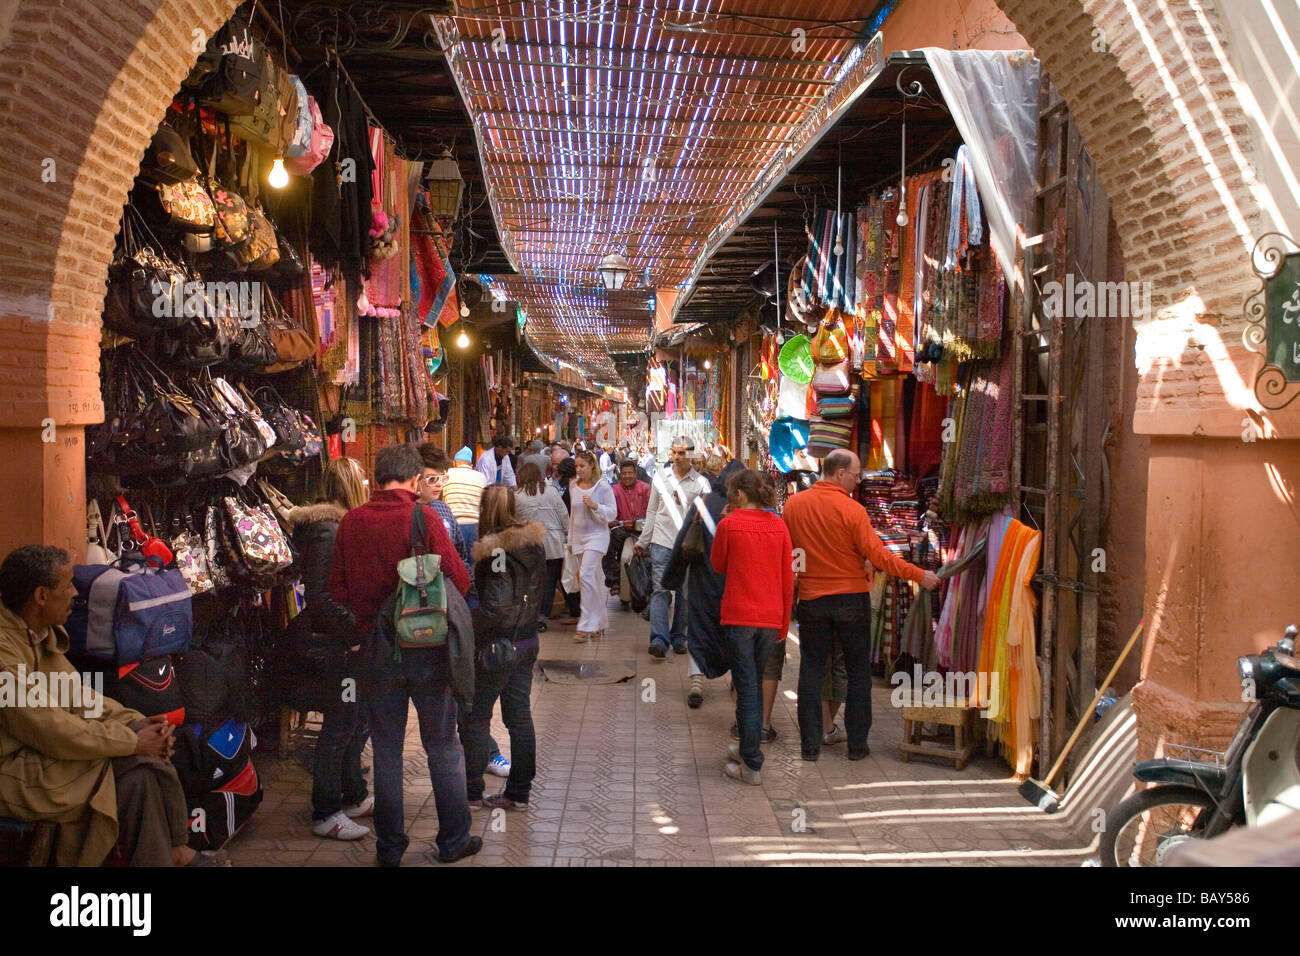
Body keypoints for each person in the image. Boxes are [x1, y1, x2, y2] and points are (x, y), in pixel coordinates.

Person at [0, 546, 218, 866]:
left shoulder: (36, 634)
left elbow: (80, 698)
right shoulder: (5, 653)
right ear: (41, 596)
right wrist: (131, 742)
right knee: (136, 766)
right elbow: (48, 727)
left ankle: (173, 852)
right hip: (15, 772)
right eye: (68, 586)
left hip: (43, 756)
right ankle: (174, 854)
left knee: (143, 763)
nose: (76, 593)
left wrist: (138, 724)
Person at [328, 443, 477, 866]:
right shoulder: (422, 516)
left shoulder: (352, 522)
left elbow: (337, 589)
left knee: (387, 749)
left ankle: (390, 848)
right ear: (414, 480)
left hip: (376, 652)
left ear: (377, 479)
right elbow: (459, 578)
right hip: (427, 648)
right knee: (443, 746)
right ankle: (453, 842)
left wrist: (362, 626)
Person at [782, 449, 939, 761]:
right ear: (840, 474)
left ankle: (810, 746)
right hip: (851, 600)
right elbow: (879, 556)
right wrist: (919, 575)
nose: (858, 480)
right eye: (855, 474)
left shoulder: (794, 505)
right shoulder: (852, 510)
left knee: (811, 672)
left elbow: (792, 554)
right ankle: (856, 745)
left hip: (812, 600)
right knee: (857, 672)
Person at [287, 457, 373, 841]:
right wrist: (352, 630)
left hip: (342, 641)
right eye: (363, 479)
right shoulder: (328, 531)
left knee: (353, 721)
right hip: (336, 645)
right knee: (339, 725)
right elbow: (320, 596)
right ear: (351, 486)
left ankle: (353, 795)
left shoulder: (339, 527)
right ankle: (326, 812)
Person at [418, 444, 509, 777]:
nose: (439, 484)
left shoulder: (442, 510)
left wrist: (465, 602)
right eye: (431, 479)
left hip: (448, 612)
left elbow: (458, 556)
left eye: (440, 478)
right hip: (414, 623)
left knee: (461, 687)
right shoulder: (414, 514)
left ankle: (481, 752)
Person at [460, 486, 546, 811]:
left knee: (477, 717)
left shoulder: (496, 552)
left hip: (499, 647)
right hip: (526, 642)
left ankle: (471, 791)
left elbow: (496, 606)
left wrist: (468, 624)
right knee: (519, 717)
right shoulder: (532, 544)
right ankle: (519, 793)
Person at [709, 470, 794, 785]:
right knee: (753, 685)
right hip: (770, 619)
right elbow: (788, 579)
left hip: (740, 616)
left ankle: (752, 763)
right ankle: (746, 749)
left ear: (741, 495)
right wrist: (784, 625)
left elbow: (718, 564)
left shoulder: (729, 525)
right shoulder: (779, 526)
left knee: (746, 688)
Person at [663, 458, 743, 710]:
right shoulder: (746, 507)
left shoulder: (703, 501)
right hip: (736, 582)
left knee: (699, 628)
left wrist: (672, 577)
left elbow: (683, 540)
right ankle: (737, 679)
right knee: (733, 632)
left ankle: (696, 681)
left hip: (703, 578)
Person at [636, 438, 710, 658]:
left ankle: (679, 636)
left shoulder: (701, 483)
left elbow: (703, 516)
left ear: (692, 455)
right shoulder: (660, 478)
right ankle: (659, 639)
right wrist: (644, 539)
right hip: (662, 541)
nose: (677, 457)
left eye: (682, 453)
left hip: (687, 544)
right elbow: (651, 512)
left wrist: (684, 501)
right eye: (674, 452)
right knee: (660, 590)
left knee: (684, 594)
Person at [514, 461, 569, 634]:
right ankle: (542, 617)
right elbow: (564, 515)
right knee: (549, 583)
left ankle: (529, 614)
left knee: (530, 582)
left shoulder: (517, 495)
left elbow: (514, 521)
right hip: (553, 544)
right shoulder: (551, 492)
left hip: (528, 544)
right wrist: (568, 535)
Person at [568, 450, 617, 642]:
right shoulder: (573, 486)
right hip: (579, 536)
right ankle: (599, 622)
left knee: (587, 575)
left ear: (592, 467)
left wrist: (596, 506)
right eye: (577, 466)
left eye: (582, 466)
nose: (579, 470)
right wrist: (571, 540)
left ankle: (585, 624)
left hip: (597, 535)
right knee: (592, 579)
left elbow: (612, 513)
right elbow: (573, 515)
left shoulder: (602, 486)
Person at [604, 460, 650, 604]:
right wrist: (612, 520)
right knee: (608, 544)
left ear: (636, 474)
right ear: (620, 474)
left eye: (630, 473)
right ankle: (614, 581)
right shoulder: (614, 490)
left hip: (643, 530)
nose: (627, 476)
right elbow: (609, 513)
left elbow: (652, 511)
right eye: (624, 473)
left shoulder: (646, 489)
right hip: (622, 530)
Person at [551, 456, 582, 623]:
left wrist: (570, 539)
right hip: (577, 536)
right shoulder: (578, 486)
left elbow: (568, 516)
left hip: (572, 537)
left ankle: (576, 612)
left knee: (570, 574)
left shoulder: (572, 489)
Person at [443, 446, 488, 551]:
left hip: (453, 525)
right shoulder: (481, 477)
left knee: (456, 563)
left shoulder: (447, 474)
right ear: (471, 466)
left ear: (454, 463)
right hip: (475, 527)